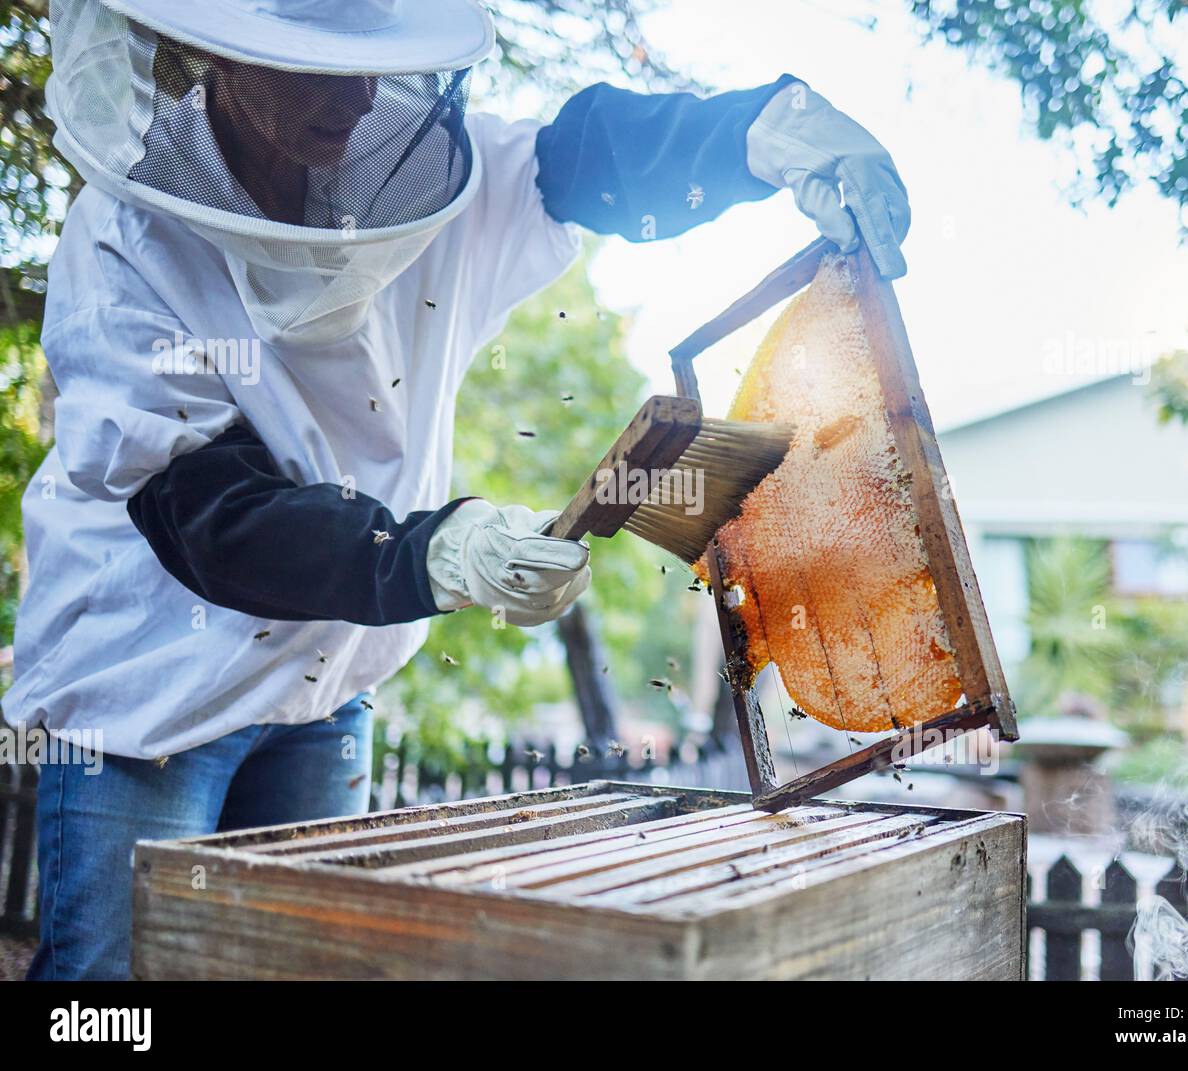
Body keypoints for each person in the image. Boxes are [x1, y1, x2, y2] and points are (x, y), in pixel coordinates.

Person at [5, 0, 911, 980]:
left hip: (327, 687)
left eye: (370, 61)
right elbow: (206, 512)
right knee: (108, 998)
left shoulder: (422, 175)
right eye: (315, 64)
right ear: (217, 54)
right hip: (147, 691)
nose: (356, 98)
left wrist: (752, 133)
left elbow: (580, 157)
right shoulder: (125, 243)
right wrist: (432, 554)